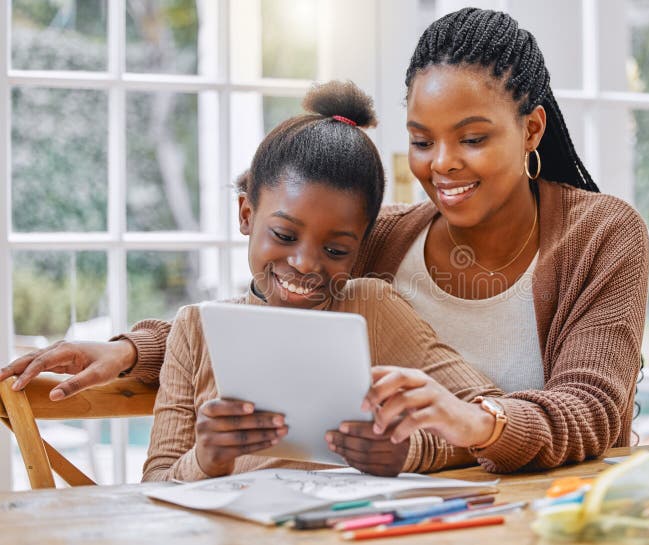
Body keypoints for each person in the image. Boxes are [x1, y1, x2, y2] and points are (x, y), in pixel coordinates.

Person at [2, 8, 649, 476]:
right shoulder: (381, 237)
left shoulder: (600, 234)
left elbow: (590, 408)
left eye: (473, 138)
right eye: (422, 140)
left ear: (532, 128)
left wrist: (475, 422)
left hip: (553, 509)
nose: (442, 164)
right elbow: (275, 307)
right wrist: (128, 350)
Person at [142, 80, 502, 481]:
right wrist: (206, 460)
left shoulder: (372, 308)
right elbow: (155, 482)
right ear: (246, 214)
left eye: (335, 251)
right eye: (284, 236)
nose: (306, 264)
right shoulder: (193, 331)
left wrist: (410, 451)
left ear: (361, 246)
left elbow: (485, 414)